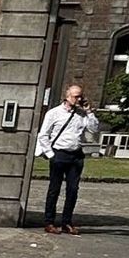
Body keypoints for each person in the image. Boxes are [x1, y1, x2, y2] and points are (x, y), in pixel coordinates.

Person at [37, 84, 100, 234]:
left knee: (73, 190)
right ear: (67, 96)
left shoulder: (82, 114)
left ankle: (67, 221)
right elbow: (43, 135)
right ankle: (49, 221)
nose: (78, 99)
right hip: (59, 153)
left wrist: (89, 112)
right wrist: (51, 154)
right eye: (75, 96)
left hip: (76, 155)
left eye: (80, 96)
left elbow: (94, 129)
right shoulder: (54, 113)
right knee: (54, 189)